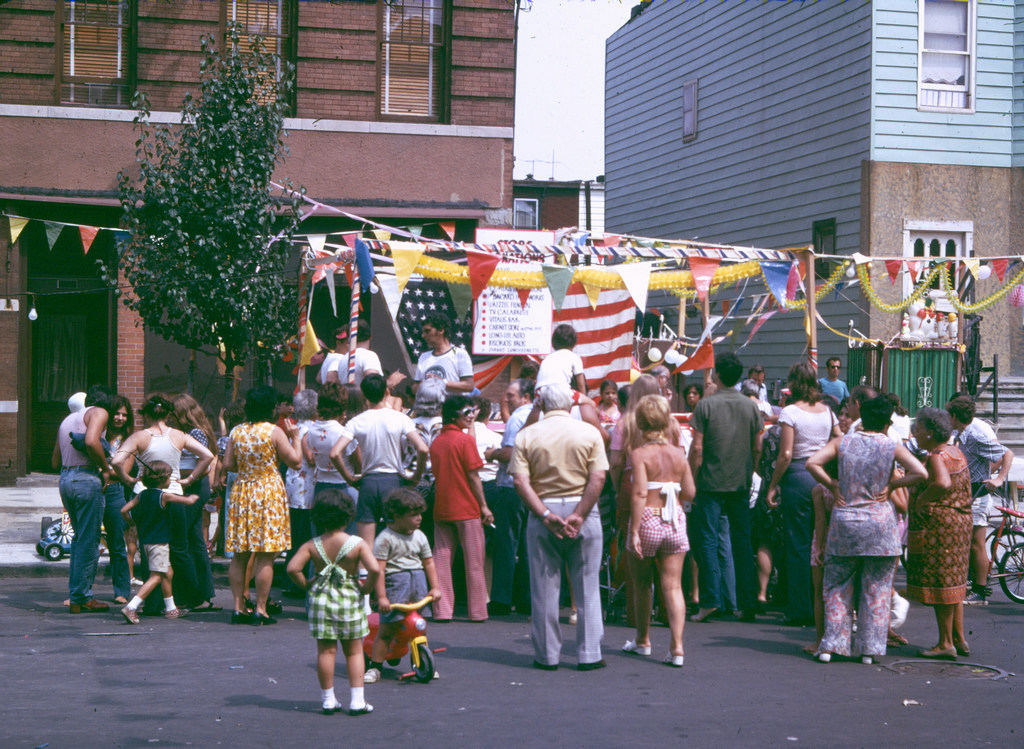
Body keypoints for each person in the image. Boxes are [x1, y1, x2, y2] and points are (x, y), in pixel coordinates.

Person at [806, 396, 927, 664]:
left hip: (845, 521)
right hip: (880, 525)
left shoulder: (843, 442)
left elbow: (812, 463)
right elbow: (921, 472)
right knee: (877, 589)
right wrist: (893, 486)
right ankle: (869, 649)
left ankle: (831, 644)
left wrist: (834, 484)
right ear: (886, 423)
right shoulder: (890, 445)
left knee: (837, 585)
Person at [510, 383, 608, 671]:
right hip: (583, 508)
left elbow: (520, 481)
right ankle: (590, 654)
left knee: (543, 587)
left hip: (544, 509)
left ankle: (547, 655)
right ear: (570, 406)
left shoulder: (527, 435)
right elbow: (598, 478)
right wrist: (579, 513)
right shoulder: (588, 433)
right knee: (588, 585)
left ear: (541, 405)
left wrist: (543, 514)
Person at [286, 489, 379, 716]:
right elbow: (375, 569)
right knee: (354, 651)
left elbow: (292, 568)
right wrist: (366, 588)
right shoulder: (356, 543)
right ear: (348, 515)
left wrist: (307, 584)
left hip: (321, 601)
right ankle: (357, 700)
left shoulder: (312, 545)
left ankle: (328, 699)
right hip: (349, 600)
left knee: (326, 652)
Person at [764, 361, 841, 626]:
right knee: (820, 541)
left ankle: (800, 607)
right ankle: (822, 602)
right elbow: (839, 438)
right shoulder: (828, 412)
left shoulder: (790, 412)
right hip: (822, 474)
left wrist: (773, 485)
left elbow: (785, 454)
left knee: (797, 543)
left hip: (797, 475)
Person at [688, 352, 763, 623]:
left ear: (717, 373)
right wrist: (751, 469)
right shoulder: (751, 406)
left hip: (710, 482)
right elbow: (758, 445)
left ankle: (710, 600)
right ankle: (748, 601)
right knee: (742, 542)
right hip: (740, 482)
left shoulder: (705, 406)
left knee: (706, 540)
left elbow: (697, 448)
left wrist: (691, 479)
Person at [623, 395, 696, 667]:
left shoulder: (639, 454)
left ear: (640, 423)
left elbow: (640, 492)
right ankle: (677, 647)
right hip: (675, 518)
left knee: (642, 583)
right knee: (673, 586)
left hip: (649, 518)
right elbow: (690, 492)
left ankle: (643, 640)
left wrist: (633, 530)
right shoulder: (679, 453)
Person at [222, 385, 303, 625]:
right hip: (268, 491)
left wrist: (248, 469)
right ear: (270, 408)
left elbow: (228, 464)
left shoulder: (237, 431)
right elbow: (296, 462)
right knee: (266, 555)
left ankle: (238, 607)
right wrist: (296, 438)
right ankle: (260, 608)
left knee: (240, 554)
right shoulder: (274, 432)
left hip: (243, 490)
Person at [330, 374, 429, 549]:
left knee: (366, 546)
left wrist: (350, 478)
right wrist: (415, 476)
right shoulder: (400, 418)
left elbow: (335, 453)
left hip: (368, 481)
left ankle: (365, 574)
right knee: (397, 543)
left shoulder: (356, 421)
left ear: (364, 395)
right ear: (386, 391)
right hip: (393, 481)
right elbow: (423, 448)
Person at [906, 408, 973, 659]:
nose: (916, 433)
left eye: (919, 428)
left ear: (931, 433)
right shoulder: (955, 452)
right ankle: (958, 637)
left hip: (940, 526)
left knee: (942, 584)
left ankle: (945, 643)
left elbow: (942, 483)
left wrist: (922, 501)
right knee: (954, 583)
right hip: (960, 522)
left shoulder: (937, 455)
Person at [429, 395, 494, 622]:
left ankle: (442, 610)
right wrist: (484, 506)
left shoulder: (437, 441)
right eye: (467, 413)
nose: (471, 417)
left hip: (442, 505)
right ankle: (477, 611)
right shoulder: (465, 441)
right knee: (474, 561)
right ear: (455, 415)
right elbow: (474, 476)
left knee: (442, 560)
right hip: (466, 507)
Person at [365, 488, 441, 683]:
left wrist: (435, 587)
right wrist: (381, 596)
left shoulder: (420, 536)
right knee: (388, 628)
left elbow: (429, 563)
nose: (419, 518)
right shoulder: (385, 539)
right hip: (396, 584)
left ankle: (422, 661)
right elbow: (379, 570)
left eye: (420, 514)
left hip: (418, 583)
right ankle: (375, 667)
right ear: (397, 517)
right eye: (413, 515)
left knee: (419, 626)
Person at [946, 395, 1015, 605]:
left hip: (979, 495)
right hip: (968, 494)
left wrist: (999, 478)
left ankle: (980, 590)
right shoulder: (961, 435)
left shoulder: (974, 436)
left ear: (955, 416)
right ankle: (970, 583)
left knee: (976, 544)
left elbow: (1007, 453)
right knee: (969, 543)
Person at [52, 385, 115, 613]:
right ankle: (83, 597)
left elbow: (54, 459)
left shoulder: (67, 420)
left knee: (80, 540)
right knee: (89, 541)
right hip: (86, 478)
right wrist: (105, 468)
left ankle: (77, 595)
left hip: (66, 478)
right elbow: (90, 441)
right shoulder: (99, 412)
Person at [119, 461, 199, 623]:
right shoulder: (164, 496)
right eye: (169, 477)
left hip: (147, 542)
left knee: (167, 572)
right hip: (160, 544)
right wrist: (194, 496)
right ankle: (131, 606)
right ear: (163, 480)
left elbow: (123, 510)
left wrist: (132, 523)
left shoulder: (141, 496)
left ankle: (171, 609)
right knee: (157, 576)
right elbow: (188, 502)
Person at [489, 377, 535, 615]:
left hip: (511, 486)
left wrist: (491, 453)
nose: (506, 399)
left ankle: (501, 599)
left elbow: (509, 453)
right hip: (534, 487)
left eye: (511, 396)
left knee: (506, 543)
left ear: (525, 397)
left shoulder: (518, 418)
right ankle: (526, 598)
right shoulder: (541, 416)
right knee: (528, 544)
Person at [168, 393, 218, 611]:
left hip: (194, 486)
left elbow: (204, 462)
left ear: (182, 413)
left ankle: (191, 592)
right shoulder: (196, 431)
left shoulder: (195, 432)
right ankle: (203, 591)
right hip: (196, 486)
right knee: (195, 539)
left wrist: (188, 480)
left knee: (184, 540)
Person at [283, 389, 319, 598]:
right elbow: (311, 458)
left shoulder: (294, 429)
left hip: (295, 485)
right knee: (305, 534)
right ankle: (300, 579)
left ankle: (292, 579)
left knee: (296, 534)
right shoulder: (310, 430)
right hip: (307, 487)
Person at [103, 393, 134, 603]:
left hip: (115, 493)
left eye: (124, 415)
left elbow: (125, 471)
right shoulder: (98, 435)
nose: (120, 418)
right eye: (116, 413)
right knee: (86, 544)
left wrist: (102, 468)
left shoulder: (129, 441)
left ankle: (122, 591)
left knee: (117, 544)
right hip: (95, 491)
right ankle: (79, 593)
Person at [413, 312, 474, 394]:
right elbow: (415, 387)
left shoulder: (459, 354)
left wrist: (442, 382)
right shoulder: (424, 357)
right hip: (429, 405)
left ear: (441, 330)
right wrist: (421, 386)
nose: (423, 335)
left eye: (427, 331)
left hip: (452, 405)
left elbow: (469, 386)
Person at [318, 319, 382, 386]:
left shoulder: (343, 358)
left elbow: (319, 378)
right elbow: (373, 384)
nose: (347, 345)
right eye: (346, 343)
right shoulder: (368, 356)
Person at [536, 323, 586, 394]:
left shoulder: (547, 358)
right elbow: (581, 386)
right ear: (574, 342)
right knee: (590, 404)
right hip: (560, 393)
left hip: (540, 394)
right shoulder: (574, 357)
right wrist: (584, 401)